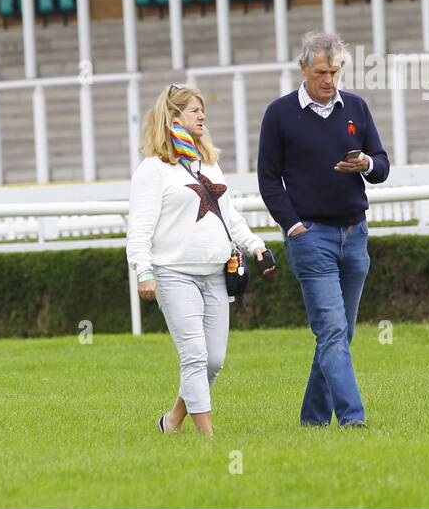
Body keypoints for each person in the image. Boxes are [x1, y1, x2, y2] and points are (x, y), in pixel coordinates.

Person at [256, 31, 390, 428]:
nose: (329, 80)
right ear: (302, 68)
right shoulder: (279, 114)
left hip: (356, 234)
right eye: (321, 72)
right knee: (332, 330)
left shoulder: (357, 108)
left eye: (334, 71)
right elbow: (267, 179)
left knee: (338, 335)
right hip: (311, 237)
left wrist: (365, 163)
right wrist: (294, 226)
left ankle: (313, 421)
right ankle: (353, 419)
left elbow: (382, 165)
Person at [127, 84, 275, 437]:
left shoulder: (208, 162)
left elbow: (229, 215)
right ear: (174, 116)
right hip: (174, 274)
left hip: (215, 274)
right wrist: (143, 270)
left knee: (214, 360)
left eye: (202, 110)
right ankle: (209, 439)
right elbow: (140, 226)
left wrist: (255, 245)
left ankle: (172, 420)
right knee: (194, 355)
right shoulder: (152, 170)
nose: (202, 116)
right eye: (194, 110)